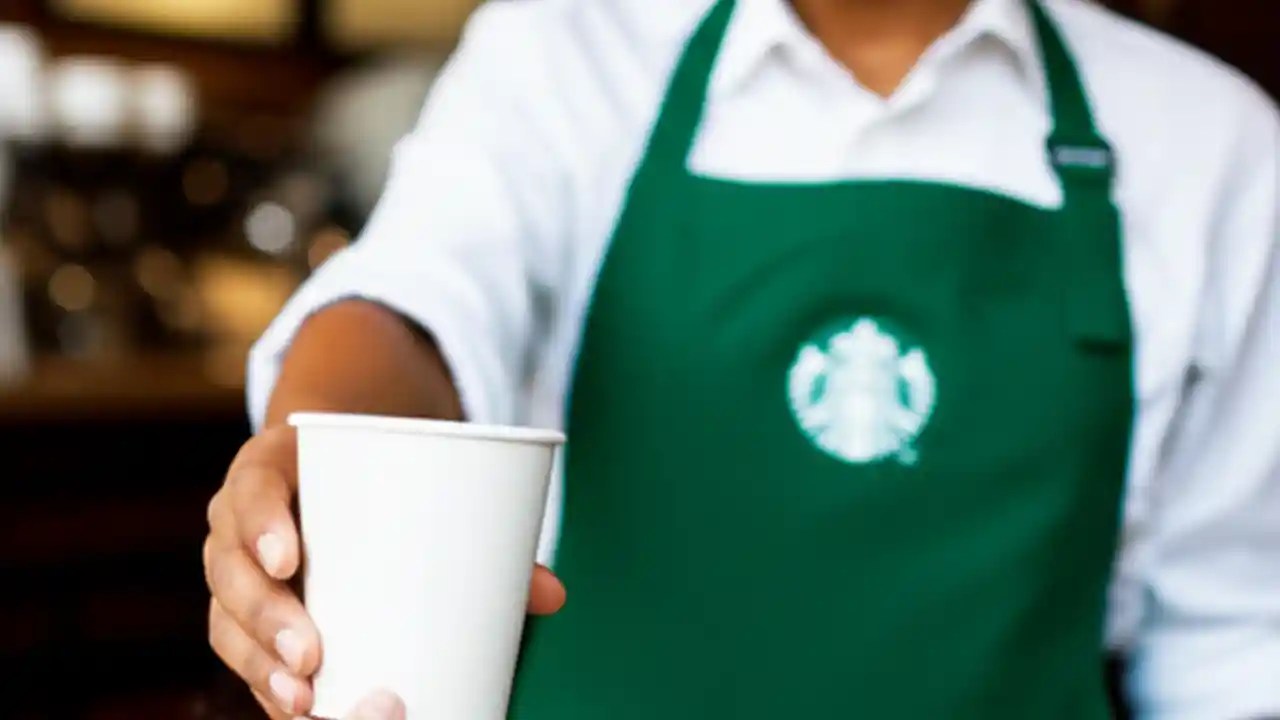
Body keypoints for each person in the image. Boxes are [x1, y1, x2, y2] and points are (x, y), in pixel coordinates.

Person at [202, 0, 1280, 717]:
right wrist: (313, 449)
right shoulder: (571, 46)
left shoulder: (1208, 142)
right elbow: (420, 300)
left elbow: (1230, 649)